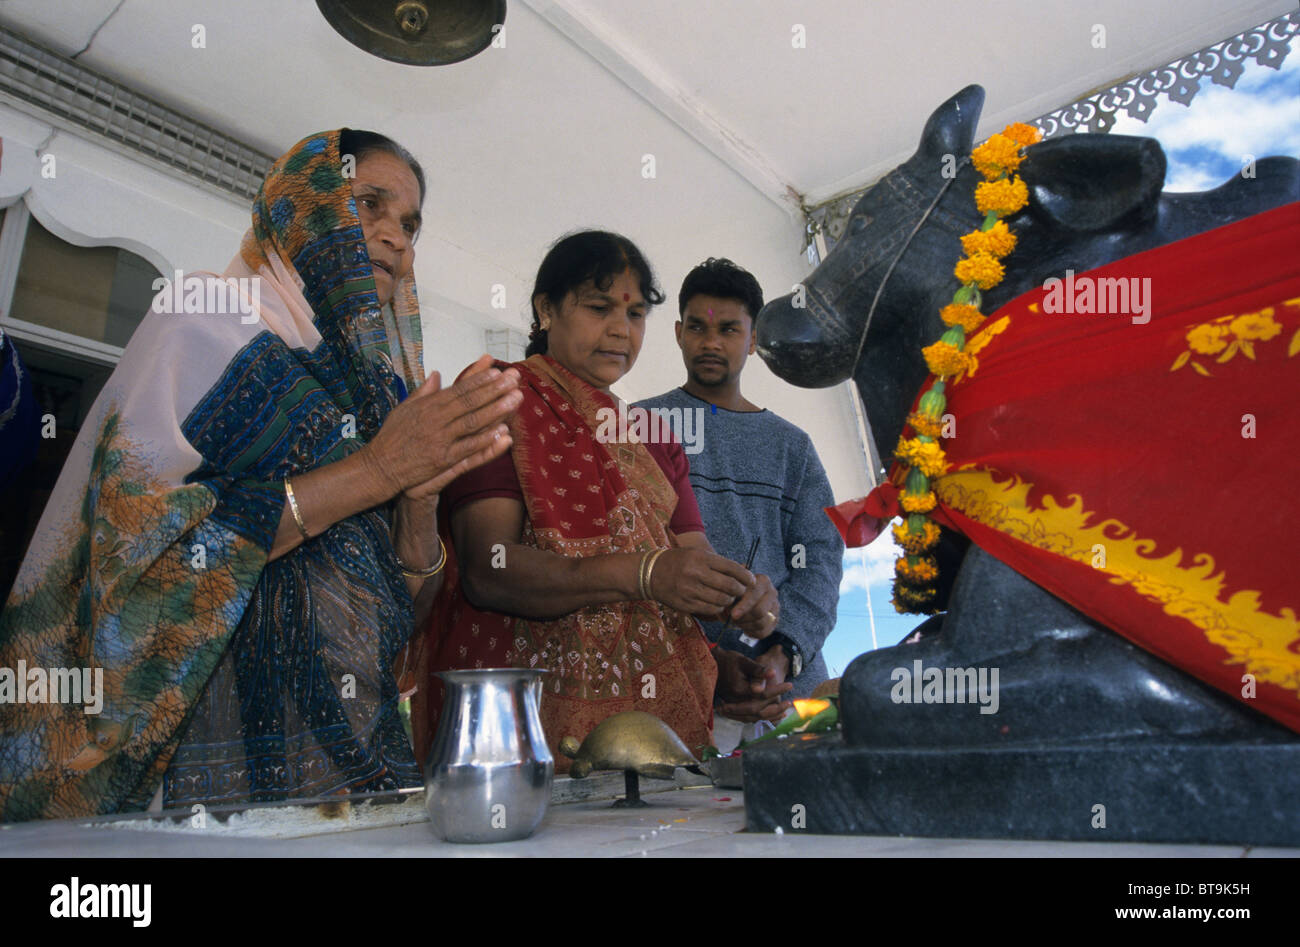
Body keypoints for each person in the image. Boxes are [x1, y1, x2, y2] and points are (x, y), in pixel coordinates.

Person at [0, 129, 522, 820]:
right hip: (205, 771)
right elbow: (135, 560)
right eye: (369, 204)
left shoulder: (381, 393)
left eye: (410, 223)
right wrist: (376, 469)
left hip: (355, 765)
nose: (396, 237)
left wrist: (420, 497)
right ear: (301, 213)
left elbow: (399, 613)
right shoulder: (202, 323)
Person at [409, 231, 792, 771]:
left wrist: (742, 609)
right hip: (515, 733)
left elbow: (690, 570)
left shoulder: (653, 438)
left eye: (636, 315)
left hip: (653, 738)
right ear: (546, 309)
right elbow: (488, 570)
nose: (620, 330)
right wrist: (645, 574)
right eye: (599, 307)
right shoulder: (499, 401)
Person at [636, 258, 843, 728]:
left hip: (784, 696)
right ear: (677, 333)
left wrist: (784, 651)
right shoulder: (636, 426)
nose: (710, 342)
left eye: (729, 329)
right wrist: (705, 661)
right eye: (696, 327)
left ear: (754, 341)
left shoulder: (793, 447)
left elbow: (821, 561)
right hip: (672, 687)